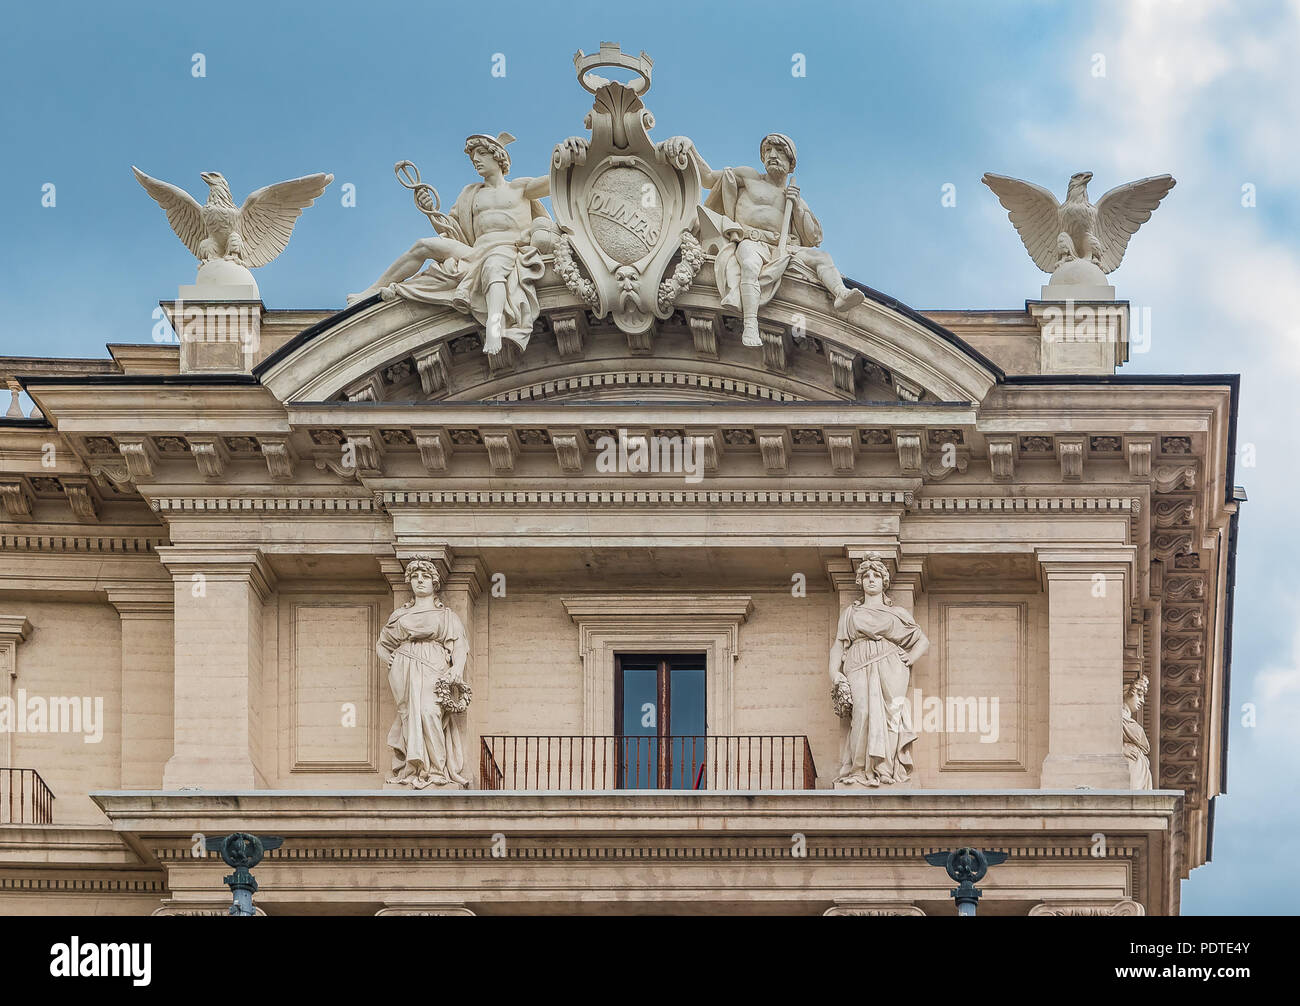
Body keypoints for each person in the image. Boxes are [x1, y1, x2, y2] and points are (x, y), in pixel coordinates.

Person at [660, 132, 866, 346]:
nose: (772, 155)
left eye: (779, 151)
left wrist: (796, 206)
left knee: (822, 257)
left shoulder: (792, 197)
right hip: (750, 240)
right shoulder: (748, 177)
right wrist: (690, 148)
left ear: (791, 163)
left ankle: (841, 293)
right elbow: (709, 178)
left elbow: (814, 238)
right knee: (749, 265)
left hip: (783, 246)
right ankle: (750, 324)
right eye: (768, 151)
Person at [829, 554, 929, 787]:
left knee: (890, 716)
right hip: (858, 663)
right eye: (866, 576)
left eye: (876, 575)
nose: (871, 579)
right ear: (860, 581)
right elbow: (837, 645)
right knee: (862, 712)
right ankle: (860, 770)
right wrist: (835, 673)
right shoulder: (851, 614)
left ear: (884, 581)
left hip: (891, 665)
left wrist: (910, 657)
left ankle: (886, 769)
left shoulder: (898, 613)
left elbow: (922, 640)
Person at [376, 554, 471, 789]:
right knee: (410, 716)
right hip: (404, 668)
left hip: (434, 666)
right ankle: (414, 769)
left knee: (429, 712)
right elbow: (382, 644)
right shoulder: (399, 616)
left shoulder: (447, 616)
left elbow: (460, 645)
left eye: (425, 576)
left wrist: (457, 669)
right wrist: (392, 661)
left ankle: (437, 770)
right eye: (415, 576)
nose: (420, 580)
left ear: (434, 583)